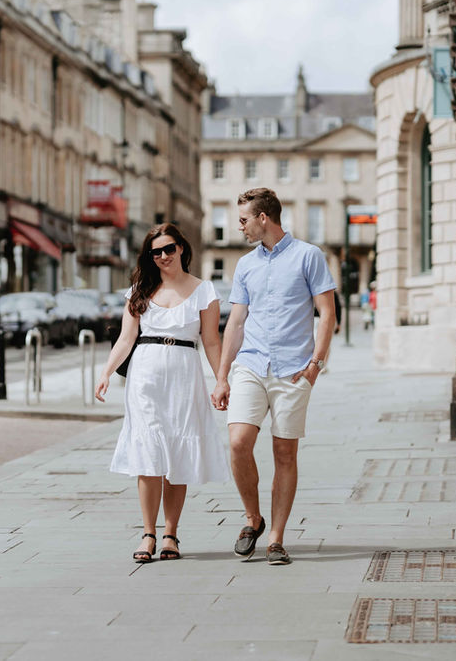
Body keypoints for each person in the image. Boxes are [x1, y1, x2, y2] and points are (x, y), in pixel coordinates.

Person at [211, 188, 336, 567]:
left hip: (293, 368)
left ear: (264, 218)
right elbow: (235, 321)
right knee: (238, 443)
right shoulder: (246, 265)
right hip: (251, 363)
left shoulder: (308, 256)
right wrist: (221, 377)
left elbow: (327, 313)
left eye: (244, 219)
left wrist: (315, 364)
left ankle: (277, 540)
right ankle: (253, 518)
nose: (240, 226)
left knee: (285, 452)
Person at [95, 223, 231, 563]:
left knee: (178, 453)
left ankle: (171, 533)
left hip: (185, 374)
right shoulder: (140, 290)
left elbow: (212, 342)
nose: (163, 256)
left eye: (169, 249)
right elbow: (126, 339)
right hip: (145, 376)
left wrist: (221, 380)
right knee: (148, 452)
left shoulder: (204, 291)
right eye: (156, 252)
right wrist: (106, 372)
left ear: (182, 248)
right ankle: (148, 533)